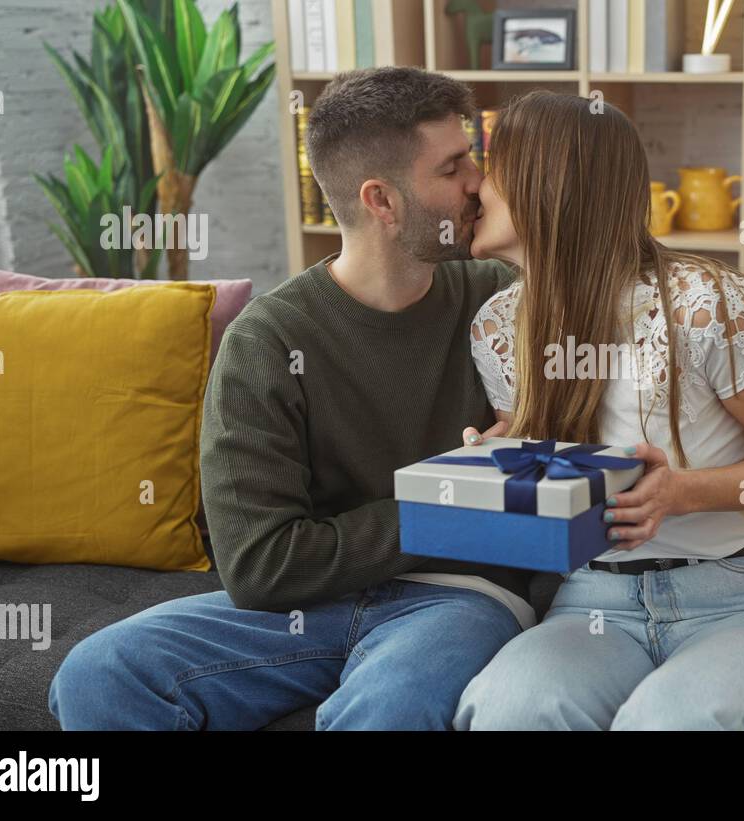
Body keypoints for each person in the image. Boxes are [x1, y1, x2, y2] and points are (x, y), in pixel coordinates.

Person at [48, 67, 534, 730]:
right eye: (453, 166)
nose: (477, 180)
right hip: (301, 610)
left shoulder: (500, 298)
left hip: (459, 597)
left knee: (389, 702)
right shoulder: (269, 340)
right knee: (99, 673)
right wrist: (452, 497)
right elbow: (258, 564)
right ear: (383, 202)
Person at [453, 90, 744, 731]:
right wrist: (504, 466)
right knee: (505, 711)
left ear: (547, 182)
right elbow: (569, 482)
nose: (473, 189)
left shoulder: (707, 303)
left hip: (740, 596)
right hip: (591, 599)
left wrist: (683, 492)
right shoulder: (497, 327)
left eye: (492, 168)